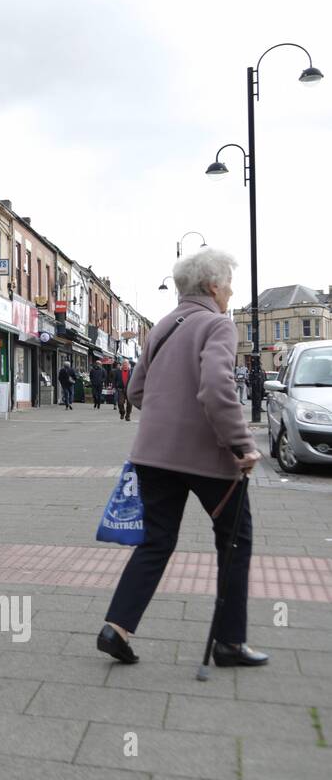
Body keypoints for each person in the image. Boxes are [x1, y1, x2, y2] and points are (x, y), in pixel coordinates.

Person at [97, 248, 266, 668]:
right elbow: (216, 388)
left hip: (153, 456)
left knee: (155, 542)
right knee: (235, 539)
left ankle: (116, 627)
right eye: (228, 283)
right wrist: (243, 444)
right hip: (207, 458)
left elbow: (136, 391)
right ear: (212, 286)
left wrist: (164, 416)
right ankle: (228, 642)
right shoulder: (217, 326)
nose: (230, 291)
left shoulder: (162, 327)